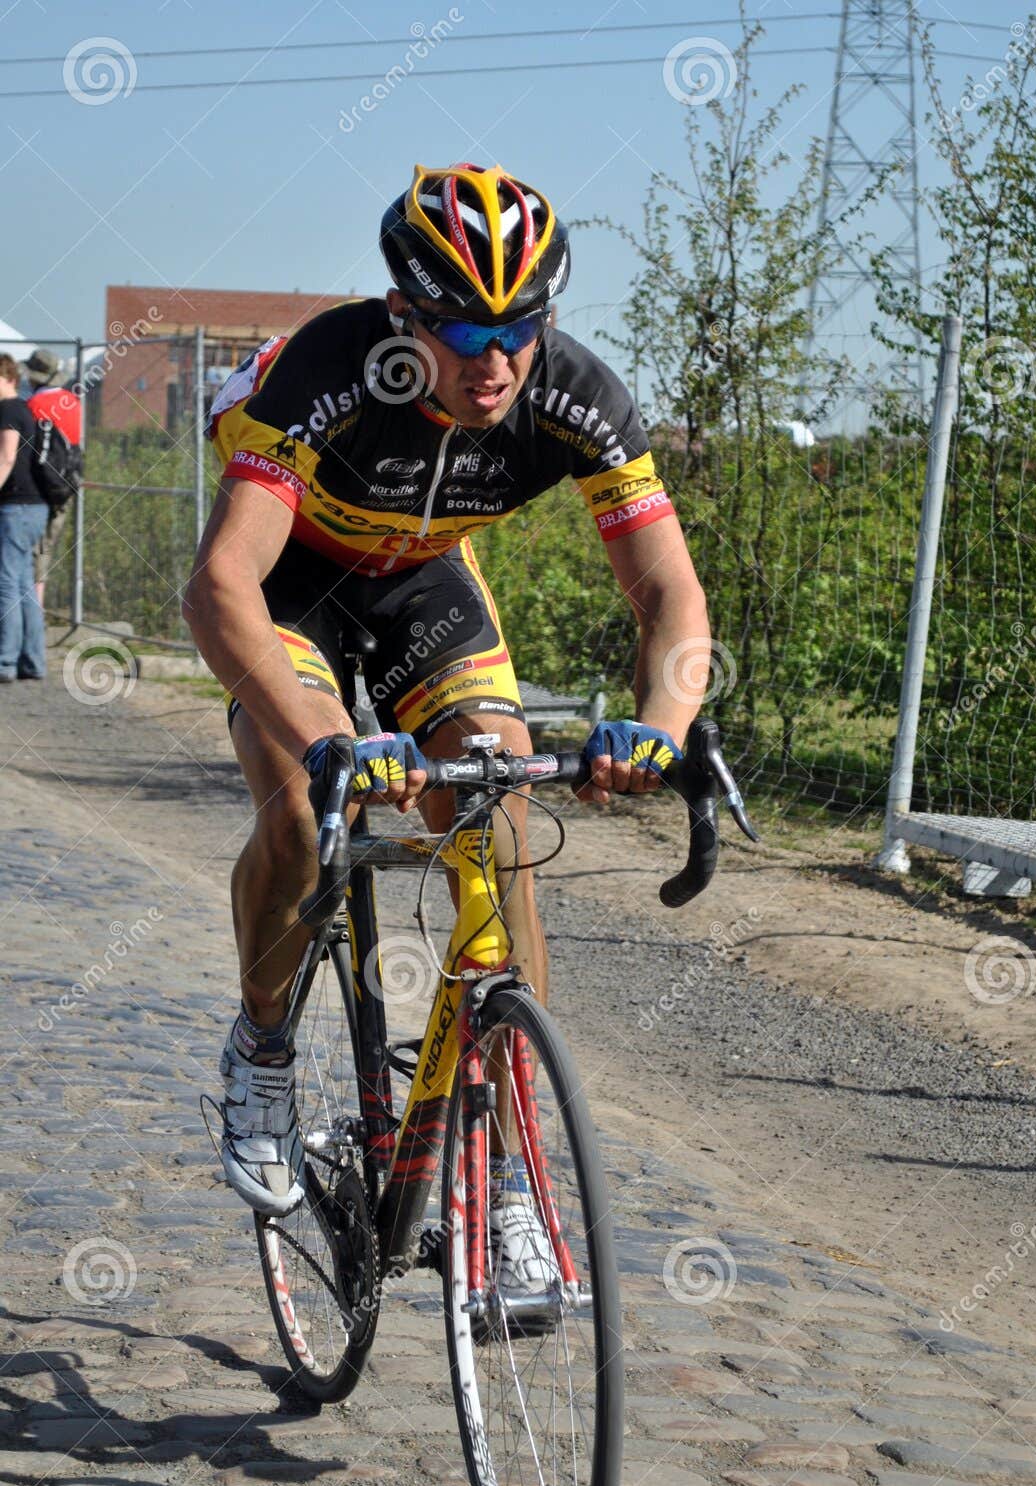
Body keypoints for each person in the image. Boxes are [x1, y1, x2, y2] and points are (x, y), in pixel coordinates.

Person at [185, 163, 710, 1285]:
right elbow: (220, 584)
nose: (495, 359)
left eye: (521, 326)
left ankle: (509, 1164)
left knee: (497, 798)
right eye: (464, 329)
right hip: (292, 581)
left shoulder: (575, 393)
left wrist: (660, 725)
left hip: (421, 583)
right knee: (301, 806)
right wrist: (328, 740)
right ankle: (263, 1045)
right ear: (404, 316)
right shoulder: (333, 366)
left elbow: (669, 595)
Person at [0, 353, 48, 682]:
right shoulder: (25, 409)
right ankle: (32, 661)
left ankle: (5, 661)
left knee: (5, 584)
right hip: (34, 506)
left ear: (9, 377)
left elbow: (5, 458)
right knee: (23, 585)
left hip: (15, 506)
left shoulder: (8, 411)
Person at [23, 348, 83, 605]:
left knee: (28, 552)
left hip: (36, 487)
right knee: (46, 548)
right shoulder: (73, 401)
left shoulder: (32, 406)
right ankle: (38, 605)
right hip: (65, 484)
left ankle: (28, 611)